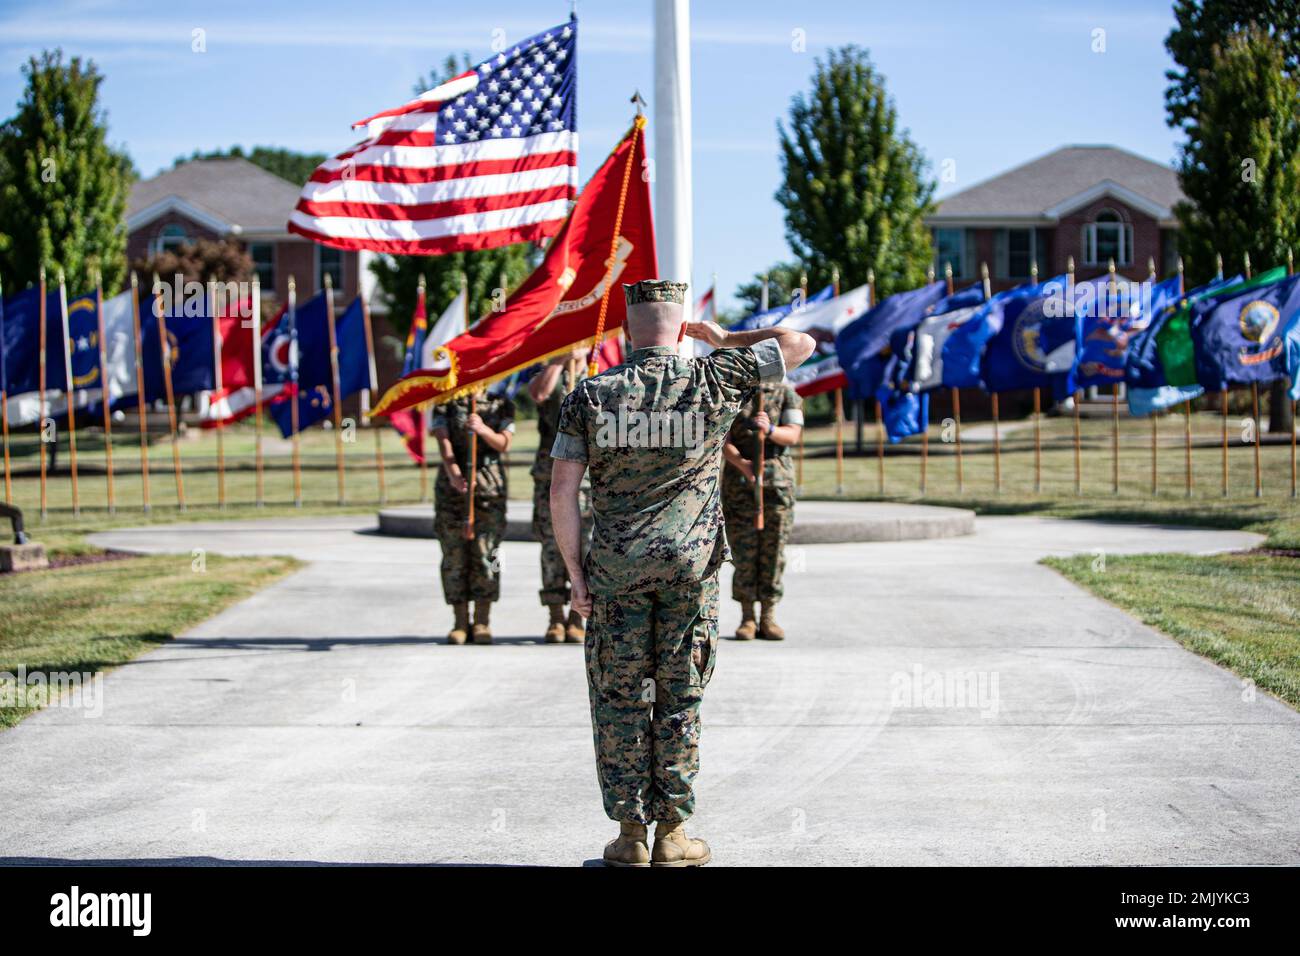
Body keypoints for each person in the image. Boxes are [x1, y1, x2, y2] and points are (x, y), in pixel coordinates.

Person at [549, 279, 815, 867]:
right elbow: (801, 342)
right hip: (689, 570)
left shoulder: (590, 396)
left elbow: (561, 493)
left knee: (618, 697)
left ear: (625, 332)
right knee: (679, 697)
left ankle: (628, 837)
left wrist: (575, 574)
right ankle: (673, 833)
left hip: (616, 570)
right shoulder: (715, 377)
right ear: (681, 329)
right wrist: (725, 338)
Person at [431, 388, 514, 645]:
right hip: (453, 487)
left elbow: (504, 443)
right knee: (454, 553)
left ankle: (482, 620)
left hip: (488, 486)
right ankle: (459, 620)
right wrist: (453, 471)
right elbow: (442, 439)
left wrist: (482, 429)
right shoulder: (447, 402)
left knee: (485, 553)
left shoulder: (501, 403)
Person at [721, 381, 803, 640]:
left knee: (773, 550)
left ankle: (768, 615)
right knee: (743, 551)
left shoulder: (786, 394)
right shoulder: (733, 393)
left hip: (776, 485)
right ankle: (747, 616)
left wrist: (769, 430)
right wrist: (742, 464)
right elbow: (722, 439)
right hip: (741, 485)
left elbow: (792, 435)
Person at [528, 349, 592, 643]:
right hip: (550, 475)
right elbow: (539, 394)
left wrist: (581, 363)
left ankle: (576, 617)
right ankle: (555, 617)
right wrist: (558, 360)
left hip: (588, 479)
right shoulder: (546, 373)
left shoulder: (595, 374)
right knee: (552, 547)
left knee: (587, 546)